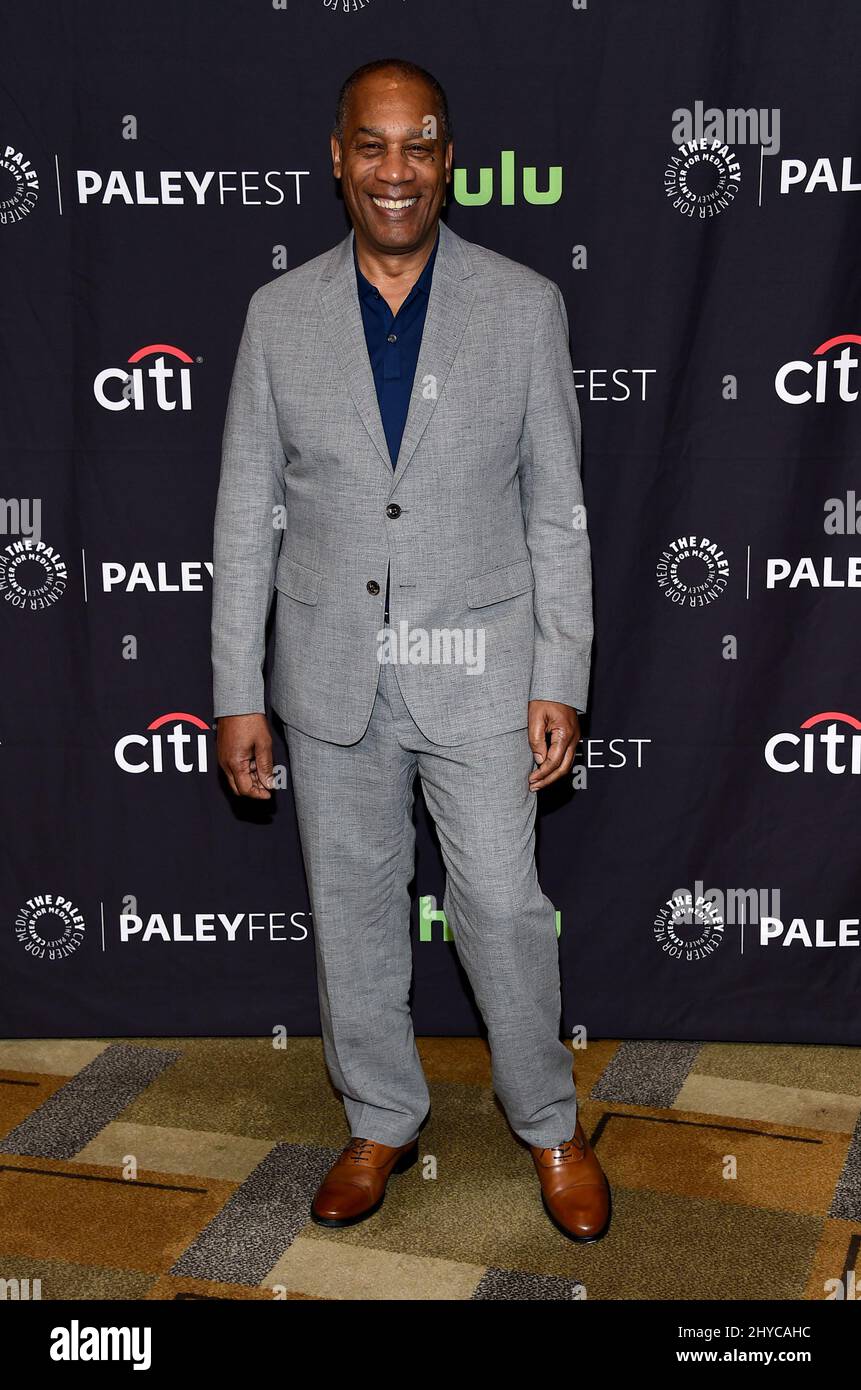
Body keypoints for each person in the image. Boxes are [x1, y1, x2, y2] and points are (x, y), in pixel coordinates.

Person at [210, 57, 610, 1244]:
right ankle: (381, 1113)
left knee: (498, 903)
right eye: (372, 146)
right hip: (329, 678)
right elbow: (241, 517)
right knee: (355, 912)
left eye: (418, 145)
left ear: (448, 161)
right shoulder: (276, 317)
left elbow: (559, 510)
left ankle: (549, 1120)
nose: (396, 169)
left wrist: (560, 672)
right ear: (338, 159)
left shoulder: (523, 304)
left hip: (483, 672)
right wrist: (237, 692)